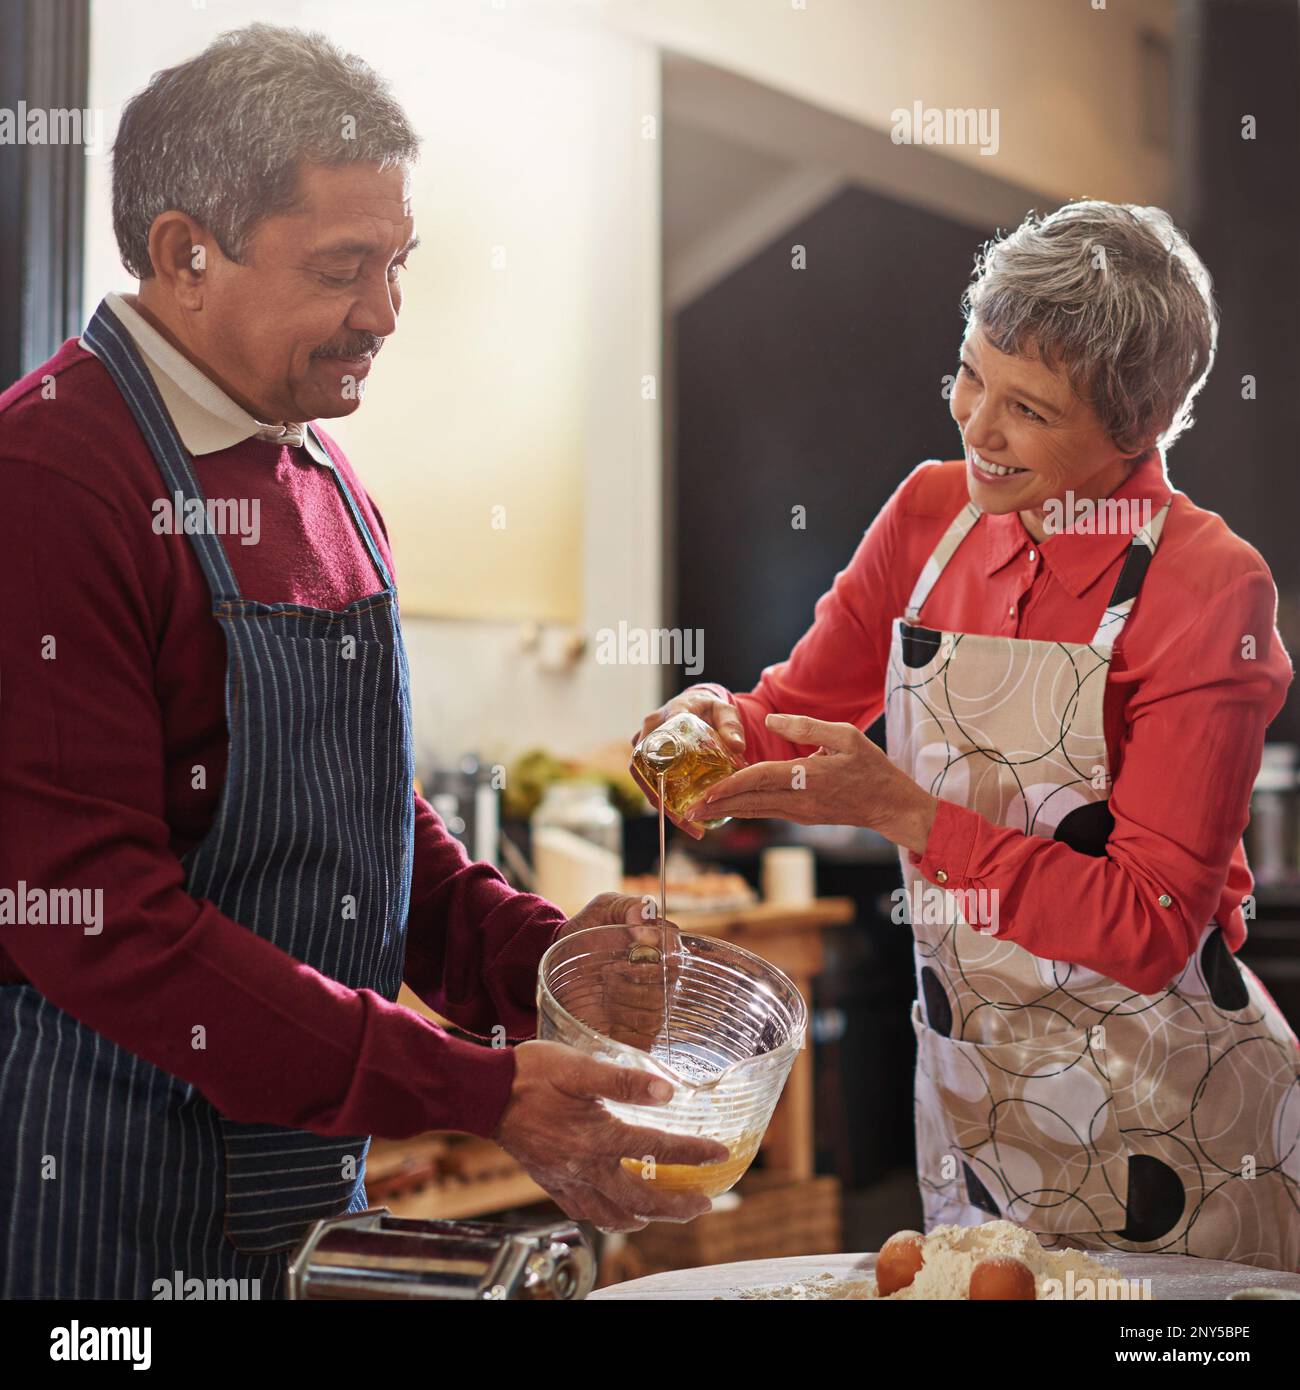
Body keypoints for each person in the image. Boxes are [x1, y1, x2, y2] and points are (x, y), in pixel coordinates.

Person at [0, 24, 724, 1300]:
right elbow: (96, 915)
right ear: (184, 253)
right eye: (344, 269)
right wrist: (475, 1086)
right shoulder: (47, 477)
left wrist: (538, 966)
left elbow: (358, 819)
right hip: (97, 1205)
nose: (385, 314)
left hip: (296, 1192)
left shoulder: (321, 472)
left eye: (398, 264)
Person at [640, 201, 1300, 1270]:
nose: (976, 427)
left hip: (1174, 1111)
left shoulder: (1209, 587)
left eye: (1028, 410)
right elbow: (791, 710)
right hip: (978, 1093)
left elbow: (1148, 926)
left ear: (1136, 426)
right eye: (969, 374)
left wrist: (907, 815)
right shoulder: (928, 517)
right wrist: (714, 720)